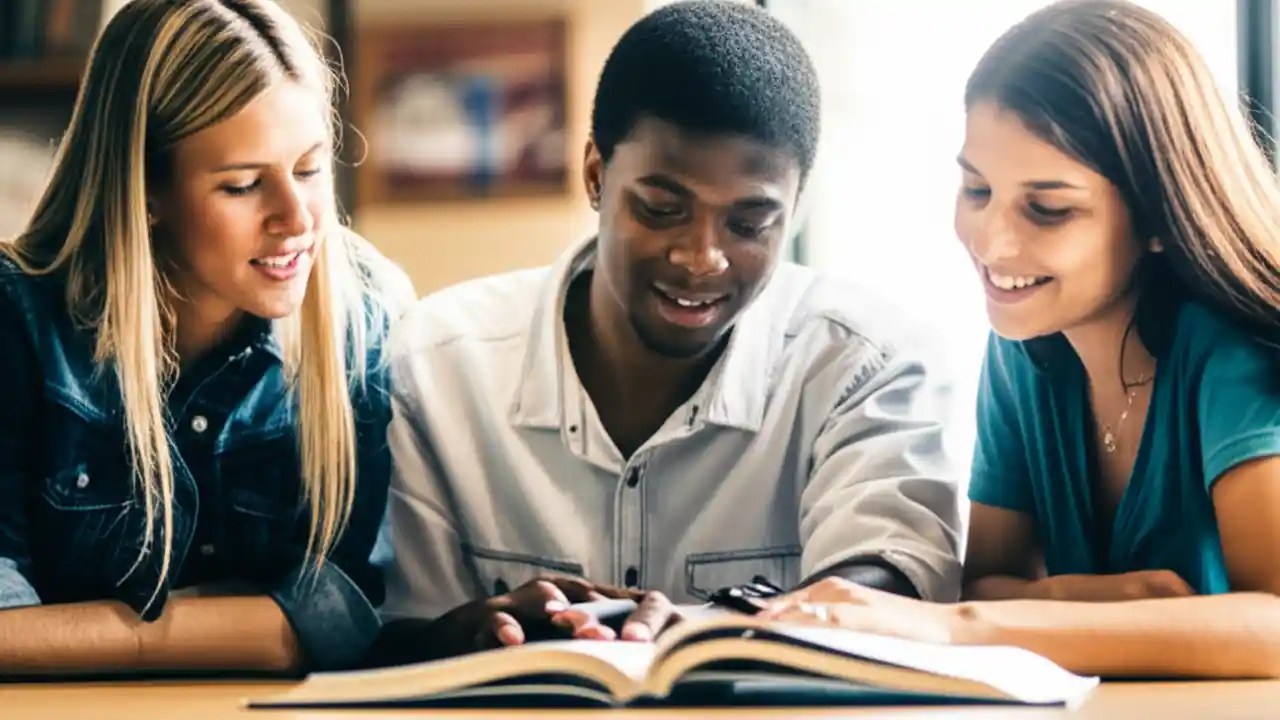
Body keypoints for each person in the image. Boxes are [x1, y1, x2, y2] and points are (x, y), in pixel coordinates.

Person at [371, 0, 960, 664]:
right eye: (661, 208)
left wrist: (720, 625)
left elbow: (895, 584)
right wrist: (477, 630)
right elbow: (394, 626)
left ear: (795, 206)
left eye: (750, 223)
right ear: (596, 174)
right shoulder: (436, 364)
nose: (702, 256)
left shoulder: (865, 363)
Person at [764, 0, 1280, 679]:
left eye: (1048, 208)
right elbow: (990, 580)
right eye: (977, 189)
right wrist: (1107, 600)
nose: (993, 242)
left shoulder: (1231, 349)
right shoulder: (1025, 349)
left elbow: (1273, 622)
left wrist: (959, 628)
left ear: (1159, 215)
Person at [0, 0, 412, 675]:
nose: (296, 219)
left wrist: (85, 632)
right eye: (244, 185)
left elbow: (343, 618)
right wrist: (248, 624)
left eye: (309, 170)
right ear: (145, 190)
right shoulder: (17, 319)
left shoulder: (364, 316)